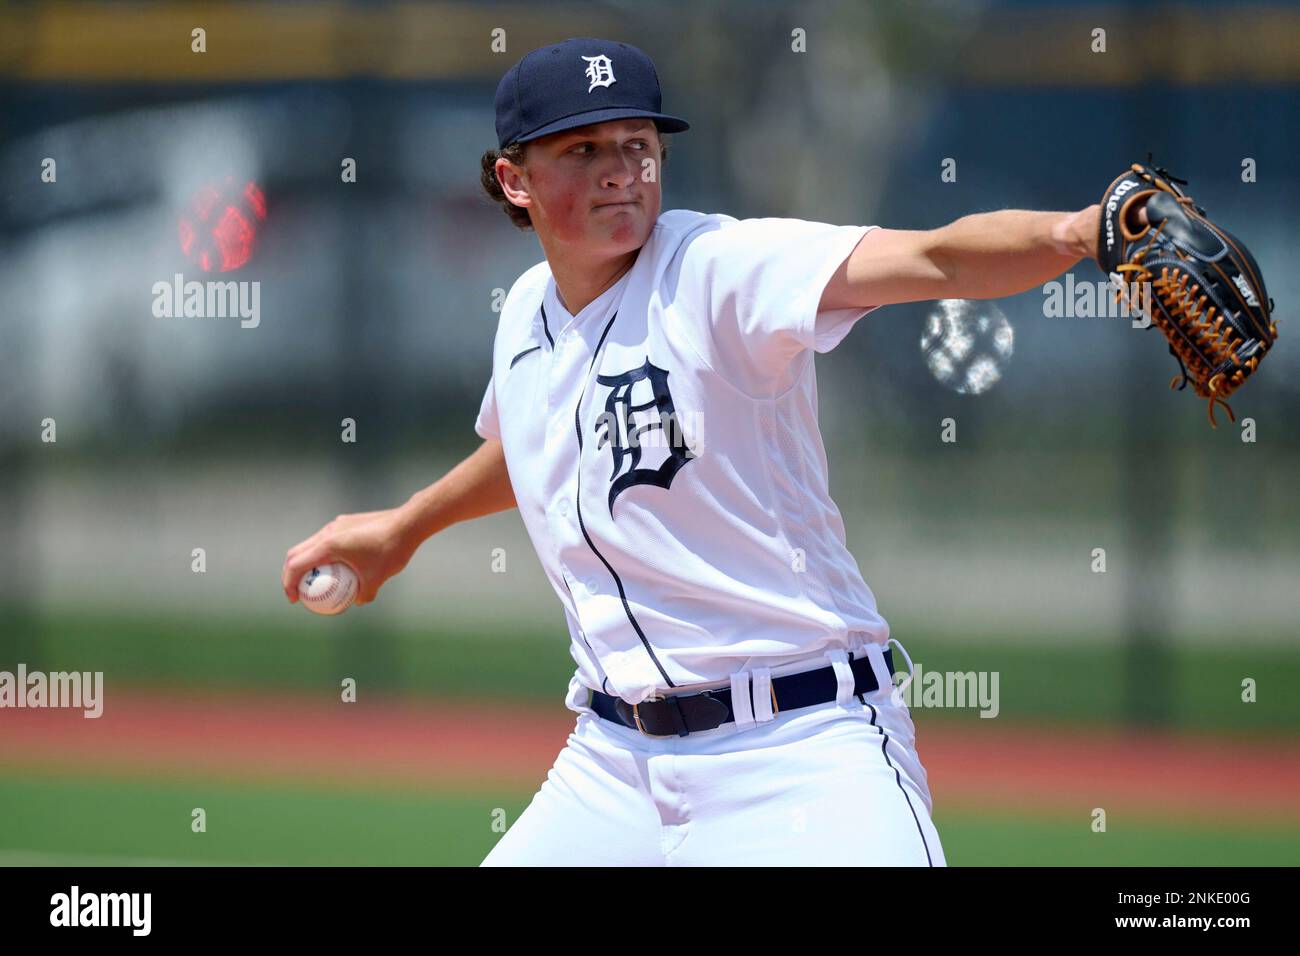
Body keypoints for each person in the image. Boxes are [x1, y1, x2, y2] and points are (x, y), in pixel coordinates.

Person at [282, 37, 1124, 866]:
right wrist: (405, 527)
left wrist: (1081, 231)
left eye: (637, 145)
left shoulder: (717, 268)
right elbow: (543, 447)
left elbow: (935, 257)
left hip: (799, 749)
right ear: (514, 179)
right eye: (583, 150)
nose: (621, 170)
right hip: (613, 765)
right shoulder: (528, 311)